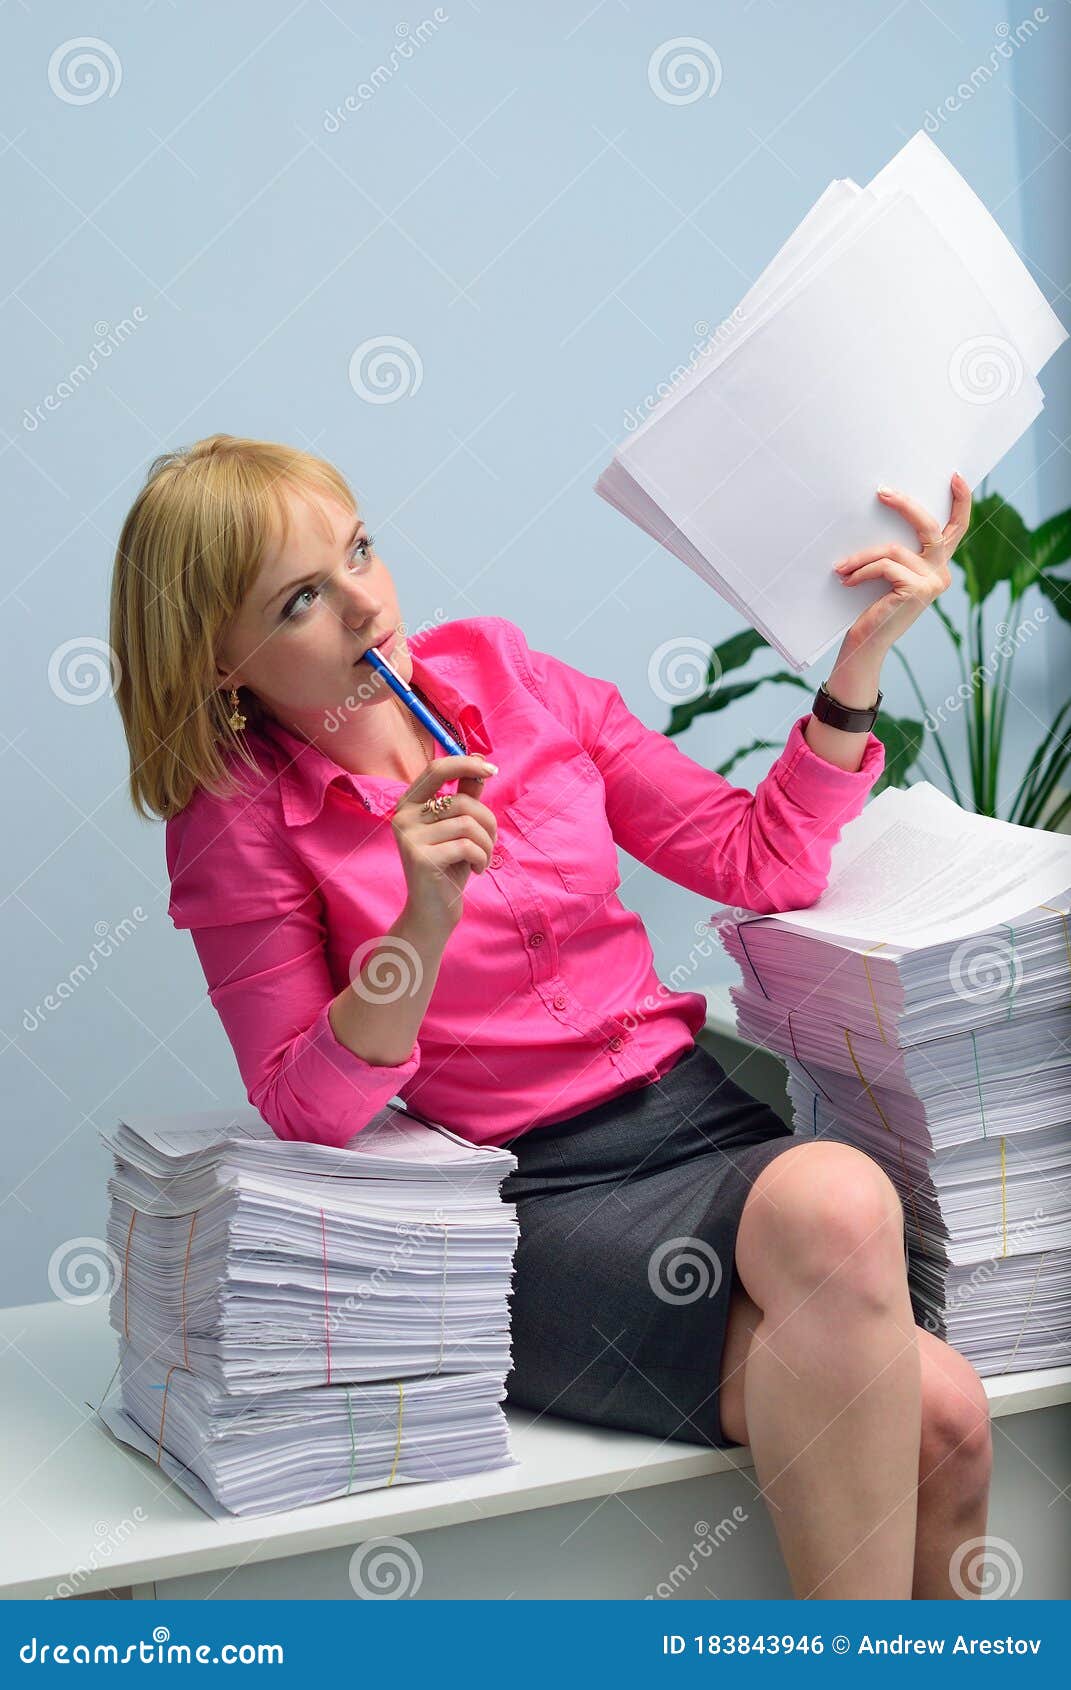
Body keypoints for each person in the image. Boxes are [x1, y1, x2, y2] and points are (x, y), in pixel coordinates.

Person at [109, 433, 990, 1600]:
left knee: (956, 1424)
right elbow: (305, 1106)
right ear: (222, 665)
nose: (365, 603)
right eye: (301, 601)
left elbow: (755, 855)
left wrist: (858, 663)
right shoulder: (239, 817)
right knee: (917, 1374)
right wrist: (418, 921)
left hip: (698, 1126)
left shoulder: (510, 677)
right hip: (534, 1195)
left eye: (358, 549)